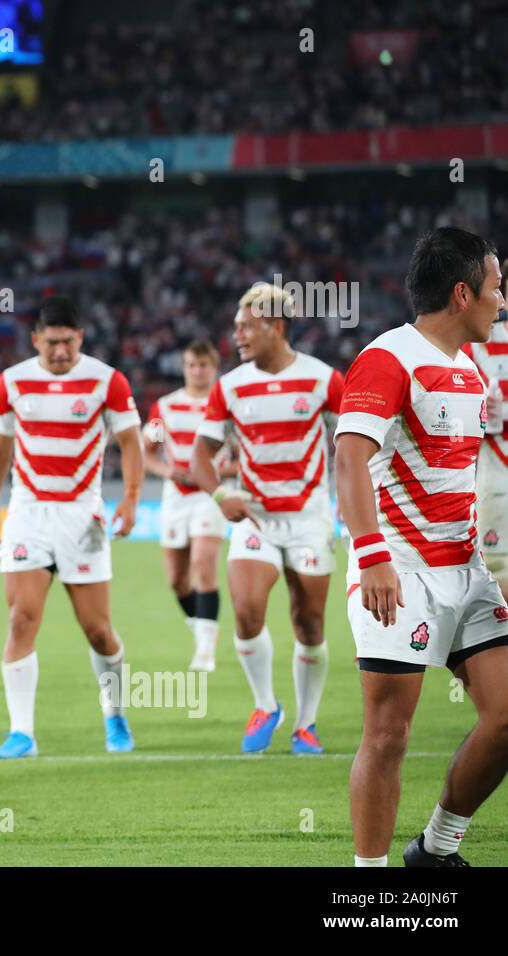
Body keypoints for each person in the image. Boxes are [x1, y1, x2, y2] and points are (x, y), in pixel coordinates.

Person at [336, 227, 508, 866]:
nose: (502, 301)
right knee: (387, 735)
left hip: (466, 571)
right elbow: (349, 459)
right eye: (495, 288)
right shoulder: (389, 358)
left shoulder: (468, 370)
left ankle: (435, 849)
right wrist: (372, 554)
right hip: (400, 575)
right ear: (463, 293)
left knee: (506, 718)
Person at [0, 294, 144, 758]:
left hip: (82, 516)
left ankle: (115, 714)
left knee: (97, 630)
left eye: (68, 342)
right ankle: (21, 733)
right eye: (51, 343)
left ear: (81, 338)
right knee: (20, 619)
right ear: (36, 340)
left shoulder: (108, 381)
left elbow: (131, 441)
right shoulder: (12, 382)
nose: (60, 352)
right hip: (28, 514)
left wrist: (130, 499)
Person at [190, 282, 343, 755]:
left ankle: (306, 724)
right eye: (236, 327)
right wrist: (219, 494)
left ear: (276, 327)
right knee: (247, 609)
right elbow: (201, 453)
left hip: (309, 519)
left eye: (246, 327)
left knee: (309, 623)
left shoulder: (324, 379)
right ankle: (265, 705)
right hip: (256, 518)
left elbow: (355, 444)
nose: (236, 336)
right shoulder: (230, 387)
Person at [144, 339, 233, 671]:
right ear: (184, 368)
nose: (197, 371)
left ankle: (205, 652)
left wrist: (211, 472)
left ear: (214, 368)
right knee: (177, 580)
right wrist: (169, 470)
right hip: (175, 497)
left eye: (203, 365)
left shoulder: (225, 406)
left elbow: (246, 457)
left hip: (212, 495)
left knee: (203, 565)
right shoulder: (165, 407)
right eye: (191, 365)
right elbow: (146, 453)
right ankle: (203, 631)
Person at [461, 258, 508, 600]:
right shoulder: (477, 347)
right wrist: (478, 413)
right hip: (496, 473)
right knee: (498, 570)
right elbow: (447, 420)